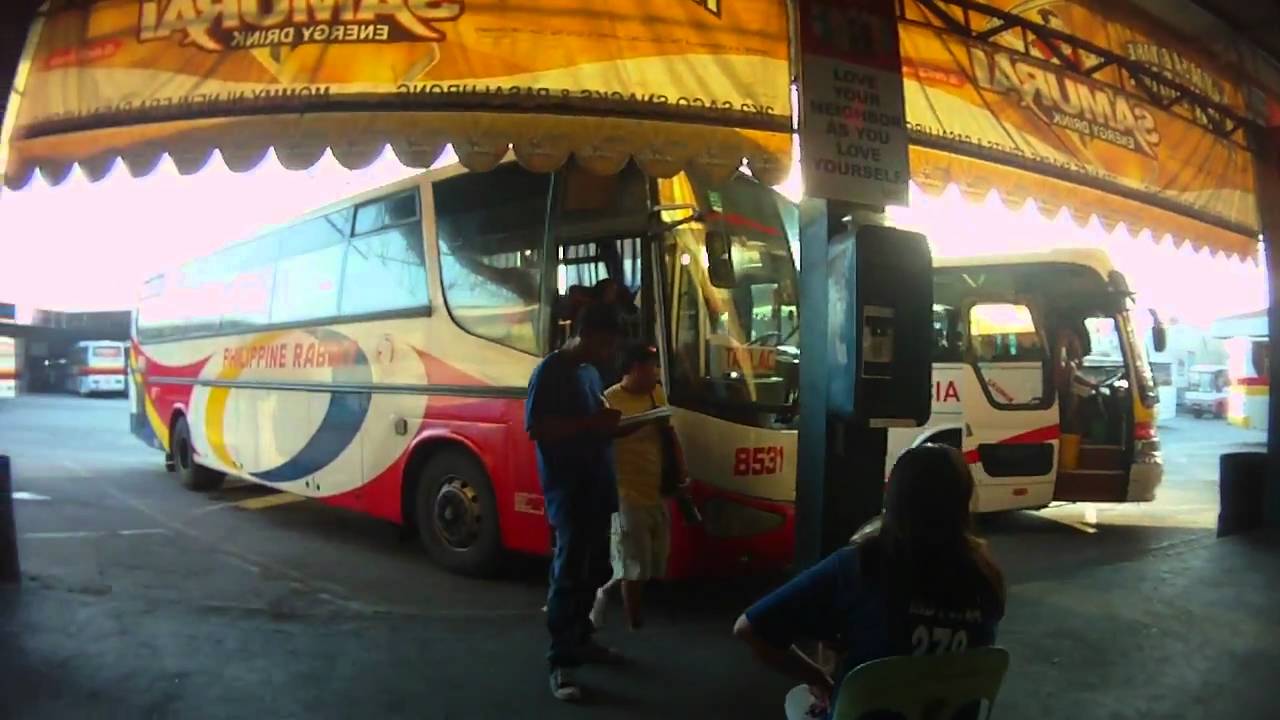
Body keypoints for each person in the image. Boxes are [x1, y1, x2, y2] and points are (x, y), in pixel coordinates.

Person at [733, 445, 1006, 720]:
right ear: (963, 502)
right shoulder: (985, 579)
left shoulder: (859, 565)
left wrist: (816, 676)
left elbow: (750, 629)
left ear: (895, 497)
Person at [525, 303, 640, 702]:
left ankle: (581, 640)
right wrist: (592, 425)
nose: (610, 353)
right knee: (570, 572)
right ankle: (562, 661)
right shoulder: (549, 372)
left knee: (597, 567)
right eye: (607, 344)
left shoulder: (590, 373)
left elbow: (594, 422)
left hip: (598, 484)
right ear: (584, 335)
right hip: (569, 489)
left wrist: (613, 424)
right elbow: (537, 429)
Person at [591, 344, 686, 631]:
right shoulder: (608, 400)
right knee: (634, 562)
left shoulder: (656, 393)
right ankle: (635, 622)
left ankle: (603, 593)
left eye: (656, 366)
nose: (654, 373)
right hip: (625, 492)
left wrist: (680, 474)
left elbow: (669, 436)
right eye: (649, 367)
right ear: (630, 369)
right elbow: (601, 441)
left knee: (653, 560)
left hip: (655, 487)